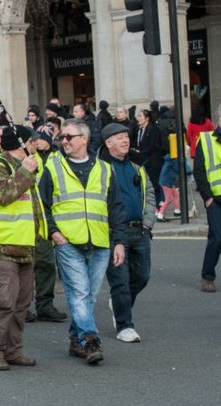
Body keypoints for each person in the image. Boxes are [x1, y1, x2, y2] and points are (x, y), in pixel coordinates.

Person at [39, 119, 126, 365]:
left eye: (69, 137)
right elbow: (41, 204)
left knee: (89, 296)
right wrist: (54, 232)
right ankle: (90, 340)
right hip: (68, 242)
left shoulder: (105, 169)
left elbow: (116, 207)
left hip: (99, 242)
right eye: (62, 137)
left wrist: (119, 241)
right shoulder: (52, 167)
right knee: (79, 293)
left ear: (84, 139)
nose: (64, 141)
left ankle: (75, 339)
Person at [0, 125, 46, 370]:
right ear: (22, 143)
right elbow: (3, 195)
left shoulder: (26, 166)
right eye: (33, 140)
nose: (36, 144)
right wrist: (25, 171)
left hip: (24, 244)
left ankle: (13, 350)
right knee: (3, 302)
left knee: (22, 303)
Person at [100, 123, 155, 342]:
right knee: (120, 281)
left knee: (142, 277)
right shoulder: (101, 168)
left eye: (126, 136)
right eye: (119, 137)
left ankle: (118, 303)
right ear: (108, 143)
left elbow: (149, 192)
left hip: (139, 230)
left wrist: (148, 223)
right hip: (115, 231)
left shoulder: (136, 165)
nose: (125, 140)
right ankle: (124, 326)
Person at [26, 126, 68, 323]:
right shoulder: (25, 158)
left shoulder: (56, 158)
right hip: (26, 219)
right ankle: (22, 306)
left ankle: (45, 305)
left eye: (41, 139)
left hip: (44, 218)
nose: (37, 142)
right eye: (35, 139)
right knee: (25, 266)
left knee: (46, 263)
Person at [193, 102, 221, 292]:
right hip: (218, 201)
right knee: (217, 240)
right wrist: (207, 197)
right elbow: (199, 170)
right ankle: (207, 277)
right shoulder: (207, 139)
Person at [136, 109, 164, 208]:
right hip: (145, 160)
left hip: (153, 161)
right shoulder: (140, 129)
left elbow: (154, 145)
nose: (138, 118)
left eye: (140, 116)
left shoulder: (153, 129)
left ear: (147, 118)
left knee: (155, 183)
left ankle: (158, 204)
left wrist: (141, 153)